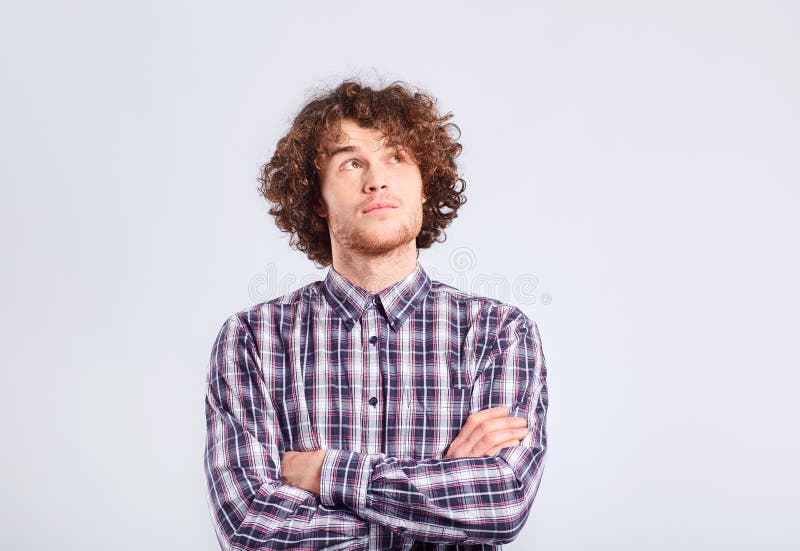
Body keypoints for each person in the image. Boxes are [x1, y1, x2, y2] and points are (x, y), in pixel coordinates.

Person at [204, 80, 549, 550]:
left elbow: (501, 501)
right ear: (315, 199)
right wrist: (441, 497)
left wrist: (324, 472)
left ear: (426, 184)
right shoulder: (253, 338)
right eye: (351, 162)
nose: (376, 180)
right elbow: (253, 530)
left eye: (396, 157)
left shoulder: (498, 333)